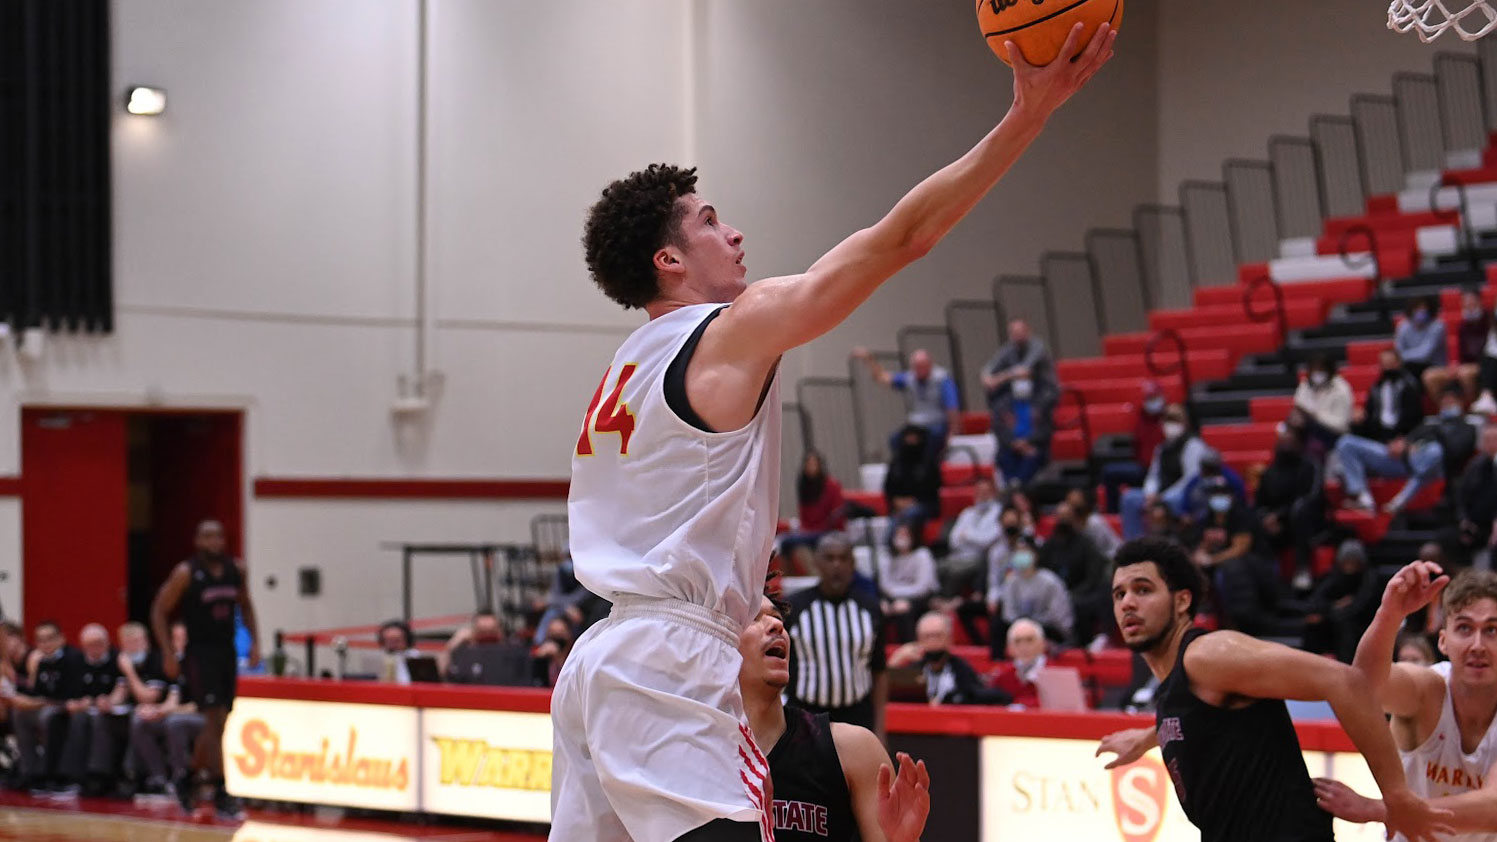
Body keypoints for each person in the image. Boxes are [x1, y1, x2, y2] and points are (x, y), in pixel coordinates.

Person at [555, 26, 1115, 840]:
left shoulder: (627, 365)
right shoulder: (727, 333)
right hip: (669, 659)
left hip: (601, 659)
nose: (733, 233)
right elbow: (903, 239)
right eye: (708, 222)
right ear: (668, 261)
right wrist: (1025, 116)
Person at [1095, 537, 1449, 842]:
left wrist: (1396, 796)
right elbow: (1200, 718)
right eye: (1119, 594)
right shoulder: (1177, 683)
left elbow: (1345, 681)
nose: (1127, 603)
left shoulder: (1208, 654)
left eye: (1143, 590)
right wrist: (1147, 737)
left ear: (1182, 601)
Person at [1313, 565, 1497, 841]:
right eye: (1464, 628)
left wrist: (1381, 810)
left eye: (1492, 630)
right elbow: (1365, 686)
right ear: (1443, 642)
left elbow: (1492, 809)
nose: (1478, 645)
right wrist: (1389, 614)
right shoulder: (1428, 689)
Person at [738, 593, 930, 842]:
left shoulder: (853, 750)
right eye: (753, 618)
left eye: (777, 617)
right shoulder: (696, 753)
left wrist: (902, 841)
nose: (776, 624)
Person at [150, 519, 260, 819]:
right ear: (197, 541)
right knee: (213, 719)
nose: (214, 542)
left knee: (220, 723)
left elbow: (246, 605)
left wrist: (255, 642)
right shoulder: (186, 572)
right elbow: (159, 610)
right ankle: (222, 790)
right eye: (208, 536)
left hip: (226, 651)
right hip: (199, 652)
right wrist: (169, 652)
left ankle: (187, 778)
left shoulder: (237, 569)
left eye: (218, 536)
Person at [786, 535, 889, 736]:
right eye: (830, 558)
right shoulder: (794, 608)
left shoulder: (870, 608)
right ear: (817, 562)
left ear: (853, 564)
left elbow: (880, 670)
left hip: (857, 716)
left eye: (843, 558)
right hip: (805, 715)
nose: (836, 565)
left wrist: (880, 730)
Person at [1337, 384, 1477, 515]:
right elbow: (1410, 438)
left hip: (1434, 468)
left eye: (1451, 400)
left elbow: (1455, 451)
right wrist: (1402, 444)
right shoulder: (1429, 423)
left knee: (1434, 452)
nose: (1446, 403)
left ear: (1461, 403)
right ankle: (1363, 498)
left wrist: (1429, 440)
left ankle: (1400, 501)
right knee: (1347, 443)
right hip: (1403, 460)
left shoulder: (1467, 428)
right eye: (1444, 400)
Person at [853, 347, 960, 463]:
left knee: (931, 442)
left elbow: (952, 408)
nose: (918, 371)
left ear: (930, 365)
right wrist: (868, 359)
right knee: (895, 440)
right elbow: (881, 378)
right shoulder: (910, 378)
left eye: (922, 367)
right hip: (916, 425)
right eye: (916, 367)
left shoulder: (942, 380)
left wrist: (952, 432)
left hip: (937, 424)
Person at [1120, 404, 1211, 539]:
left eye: (1175, 419)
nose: (1170, 424)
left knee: (1171, 500)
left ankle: (1174, 541)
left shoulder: (1193, 445)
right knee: (1130, 498)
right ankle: (1134, 542)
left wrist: (1164, 496)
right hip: (1159, 493)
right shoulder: (1161, 448)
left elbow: (1191, 479)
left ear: (1185, 422)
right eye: (1168, 419)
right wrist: (1150, 493)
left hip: (1182, 494)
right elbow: (1153, 475)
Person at [10, 621, 81, 793]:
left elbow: (72, 694)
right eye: (40, 640)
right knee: (20, 713)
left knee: (47, 716)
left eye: (50, 639)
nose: (45, 644)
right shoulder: (38, 660)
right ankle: (29, 772)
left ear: (61, 639)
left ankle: (50, 774)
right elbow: (35, 692)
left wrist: (43, 702)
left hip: (69, 708)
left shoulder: (73, 658)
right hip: (48, 705)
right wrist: (33, 671)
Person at [888, 612, 1009, 706]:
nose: (932, 641)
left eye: (938, 635)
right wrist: (895, 661)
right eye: (927, 636)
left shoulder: (962, 670)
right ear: (918, 639)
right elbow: (887, 695)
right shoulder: (911, 670)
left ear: (950, 638)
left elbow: (979, 695)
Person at [1254, 428, 1321, 588]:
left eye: (1290, 442)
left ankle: (1303, 569)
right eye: (1283, 442)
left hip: (1307, 523)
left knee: (1300, 511)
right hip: (1277, 525)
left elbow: (1311, 497)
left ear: (1299, 444)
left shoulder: (1309, 466)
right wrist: (1266, 517)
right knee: (1253, 521)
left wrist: (1279, 515)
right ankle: (1264, 577)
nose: (1286, 446)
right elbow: (1259, 503)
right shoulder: (1269, 472)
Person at [1039, 501, 1110, 647]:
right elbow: (1042, 573)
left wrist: (1071, 593)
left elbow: (1093, 577)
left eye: (1067, 516)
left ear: (1074, 518)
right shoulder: (1049, 546)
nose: (1063, 520)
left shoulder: (1086, 544)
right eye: (1061, 516)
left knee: (1081, 603)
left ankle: (1084, 643)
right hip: (1052, 594)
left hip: (1080, 592)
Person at [1302, 540, 1381, 664]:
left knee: (1345, 624)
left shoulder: (1369, 578)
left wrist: (1331, 612)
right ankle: (1309, 663)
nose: (1349, 566)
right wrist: (1332, 608)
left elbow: (1361, 606)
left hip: (1362, 622)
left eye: (1353, 562)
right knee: (1312, 622)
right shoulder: (1335, 576)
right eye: (1346, 562)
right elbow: (1315, 601)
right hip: (1334, 618)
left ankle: (1346, 665)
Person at [1101, 380, 1166, 514]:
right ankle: (1114, 514)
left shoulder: (1168, 420)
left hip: (1161, 470)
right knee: (1109, 472)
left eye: (1154, 398)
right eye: (1149, 398)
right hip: (1142, 468)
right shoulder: (1141, 418)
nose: (1152, 402)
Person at [994, 535, 1072, 646]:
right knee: (998, 626)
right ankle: (1000, 656)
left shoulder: (1050, 581)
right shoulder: (1011, 581)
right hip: (1020, 625)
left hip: (1048, 626)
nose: (1021, 555)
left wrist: (1032, 622)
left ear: (1035, 555)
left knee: (1034, 631)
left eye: (1025, 551)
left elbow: (1058, 615)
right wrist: (1022, 623)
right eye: (1018, 552)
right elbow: (1008, 613)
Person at [989, 356, 1054, 487]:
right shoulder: (1002, 405)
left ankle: (1017, 488)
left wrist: (1028, 442)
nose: (1021, 382)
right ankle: (1012, 487)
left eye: (1025, 379)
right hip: (1010, 447)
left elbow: (1046, 429)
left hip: (1033, 446)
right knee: (1006, 457)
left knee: (1032, 456)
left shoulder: (1041, 402)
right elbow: (998, 429)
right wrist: (1015, 443)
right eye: (1018, 379)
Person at [781, 451, 848, 575]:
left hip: (828, 530)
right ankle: (789, 577)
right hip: (810, 531)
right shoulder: (804, 486)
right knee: (785, 542)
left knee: (793, 542)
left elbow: (837, 514)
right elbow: (804, 515)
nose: (811, 467)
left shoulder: (832, 485)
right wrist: (805, 529)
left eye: (814, 464)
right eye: (808, 464)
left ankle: (816, 575)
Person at [1442, 423, 1497, 569]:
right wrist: (1464, 520)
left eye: (1494, 439)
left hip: (1493, 524)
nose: (1491, 444)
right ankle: (1460, 579)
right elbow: (1460, 496)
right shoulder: (1475, 466)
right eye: (1487, 439)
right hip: (1476, 524)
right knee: (1446, 538)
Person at [877, 522, 940, 643]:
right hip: (893, 596)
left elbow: (923, 587)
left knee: (904, 610)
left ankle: (909, 645)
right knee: (879, 608)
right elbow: (884, 584)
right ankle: (879, 647)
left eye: (905, 535)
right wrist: (892, 601)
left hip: (921, 597)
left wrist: (902, 599)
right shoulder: (887, 556)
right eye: (898, 535)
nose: (901, 538)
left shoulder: (923, 554)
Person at [940, 476, 1002, 598]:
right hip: (958, 556)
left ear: (993, 493)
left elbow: (987, 541)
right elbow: (953, 540)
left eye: (985, 491)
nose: (982, 495)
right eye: (979, 491)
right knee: (938, 567)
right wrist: (974, 538)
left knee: (955, 571)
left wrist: (967, 535)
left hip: (980, 559)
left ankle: (948, 600)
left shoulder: (999, 512)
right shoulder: (967, 512)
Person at [1425, 290, 1490, 404]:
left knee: (1465, 373)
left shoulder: (1490, 322)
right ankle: (1446, 409)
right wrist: (1455, 365)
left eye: (1472, 303)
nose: (1469, 306)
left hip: (1484, 364)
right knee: (1430, 375)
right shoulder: (1463, 326)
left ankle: (1473, 408)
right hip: (1463, 365)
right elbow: (1461, 353)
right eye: (1466, 304)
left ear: (1480, 302)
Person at [980, 319, 1059, 407]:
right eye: (1014, 333)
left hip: (1044, 388)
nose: (1018, 336)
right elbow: (989, 367)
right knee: (995, 395)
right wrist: (987, 378)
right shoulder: (1008, 349)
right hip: (1022, 389)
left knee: (1022, 385)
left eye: (1020, 332)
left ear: (1028, 332)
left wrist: (999, 379)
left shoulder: (1037, 347)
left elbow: (1024, 371)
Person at [1354, 348, 1426, 443]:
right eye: (1384, 363)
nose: (1387, 367)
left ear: (1398, 363)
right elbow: (1370, 412)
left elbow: (1415, 417)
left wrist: (1405, 439)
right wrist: (1361, 415)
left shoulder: (1409, 386)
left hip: (1402, 437)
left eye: (1390, 363)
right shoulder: (1376, 387)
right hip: (1378, 435)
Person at [1290, 353, 1354, 452]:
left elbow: (1341, 425)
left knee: (1314, 441)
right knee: (1287, 439)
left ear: (1329, 370)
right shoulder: (1305, 386)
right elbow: (1298, 406)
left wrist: (1315, 416)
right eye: (1314, 370)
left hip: (1333, 435)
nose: (1317, 373)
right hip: (1306, 430)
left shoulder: (1341, 389)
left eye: (1321, 370)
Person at [883, 425, 942, 523]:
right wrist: (897, 501)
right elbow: (888, 488)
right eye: (908, 438)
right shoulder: (896, 464)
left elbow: (933, 488)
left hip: (924, 505)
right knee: (893, 521)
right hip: (899, 506)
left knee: (909, 514)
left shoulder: (928, 463)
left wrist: (914, 501)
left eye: (914, 438)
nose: (911, 441)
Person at [990, 618, 1047, 707]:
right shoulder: (1002, 678)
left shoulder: (1057, 675)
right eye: (1017, 641)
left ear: (1043, 644)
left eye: (1029, 640)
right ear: (1009, 648)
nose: (1023, 646)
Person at [1397, 296, 1448, 385]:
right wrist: (1401, 357)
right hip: (1409, 365)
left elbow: (1425, 354)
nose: (1420, 313)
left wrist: (1403, 356)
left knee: (1427, 375)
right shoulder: (1403, 327)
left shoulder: (1437, 326)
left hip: (1433, 365)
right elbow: (1398, 352)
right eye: (1417, 309)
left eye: (1424, 310)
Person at [1065, 486, 1121, 560]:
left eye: (1075, 499)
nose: (1071, 501)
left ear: (1085, 501)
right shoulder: (1069, 522)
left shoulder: (1094, 522)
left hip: (1111, 557)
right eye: (1068, 500)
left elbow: (1098, 551)